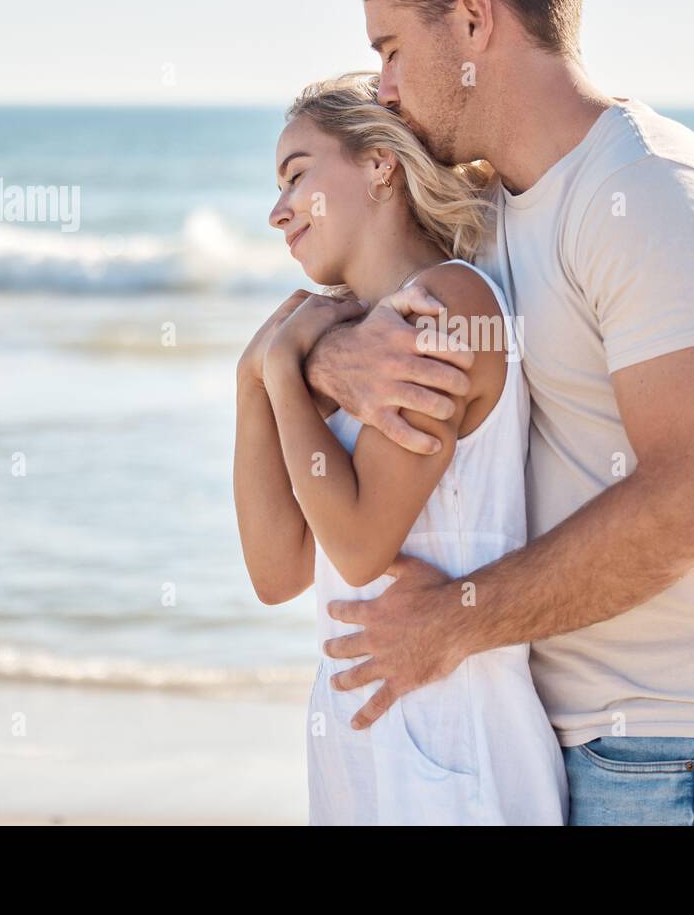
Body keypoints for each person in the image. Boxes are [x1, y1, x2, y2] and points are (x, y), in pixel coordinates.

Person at [299, 0, 694, 826]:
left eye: (389, 48)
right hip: (572, 738)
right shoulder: (494, 210)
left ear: (472, 21)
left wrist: (452, 622)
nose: (380, 84)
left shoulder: (649, 193)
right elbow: (365, 312)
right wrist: (317, 353)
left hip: (691, 746)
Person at [233, 72, 567, 825]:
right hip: (362, 735)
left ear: (379, 164)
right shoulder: (348, 343)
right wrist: (251, 382)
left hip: (456, 743)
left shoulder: (450, 301)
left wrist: (282, 370)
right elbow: (275, 571)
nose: (277, 210)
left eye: (297, 175)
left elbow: (355, 547)